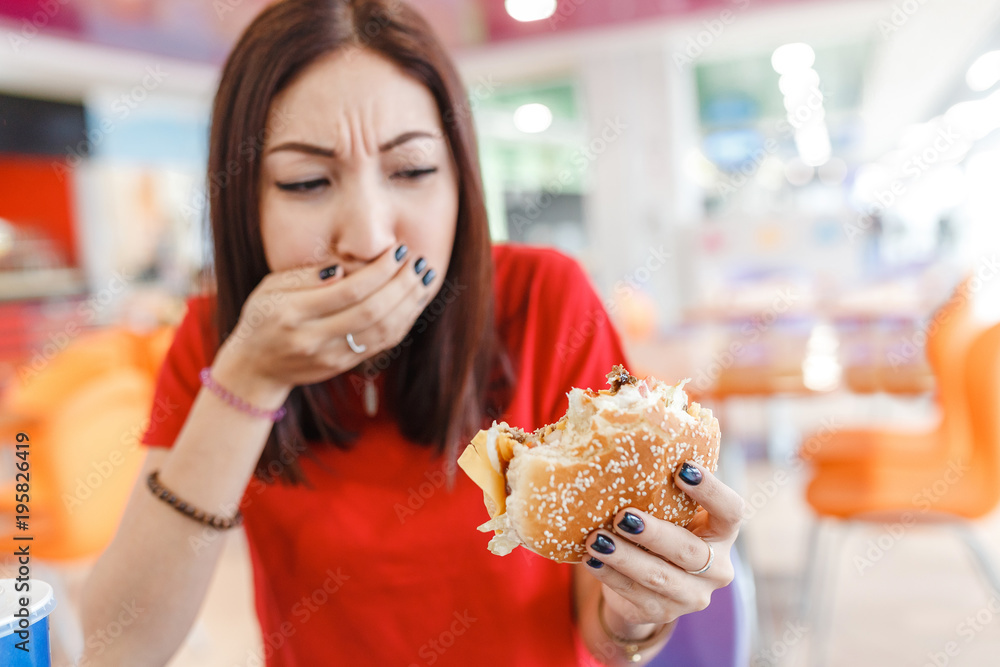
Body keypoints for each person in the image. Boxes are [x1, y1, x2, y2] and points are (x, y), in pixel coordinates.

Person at [79, 1, 745, 665]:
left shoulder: (546, 299)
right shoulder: (219, 340)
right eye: (305, 180)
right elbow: (116, 647)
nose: (368, 235)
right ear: (244, 204)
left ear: (461, 180)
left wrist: (636, 610)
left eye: (413, 170)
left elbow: (601, 628)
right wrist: (251, 376)